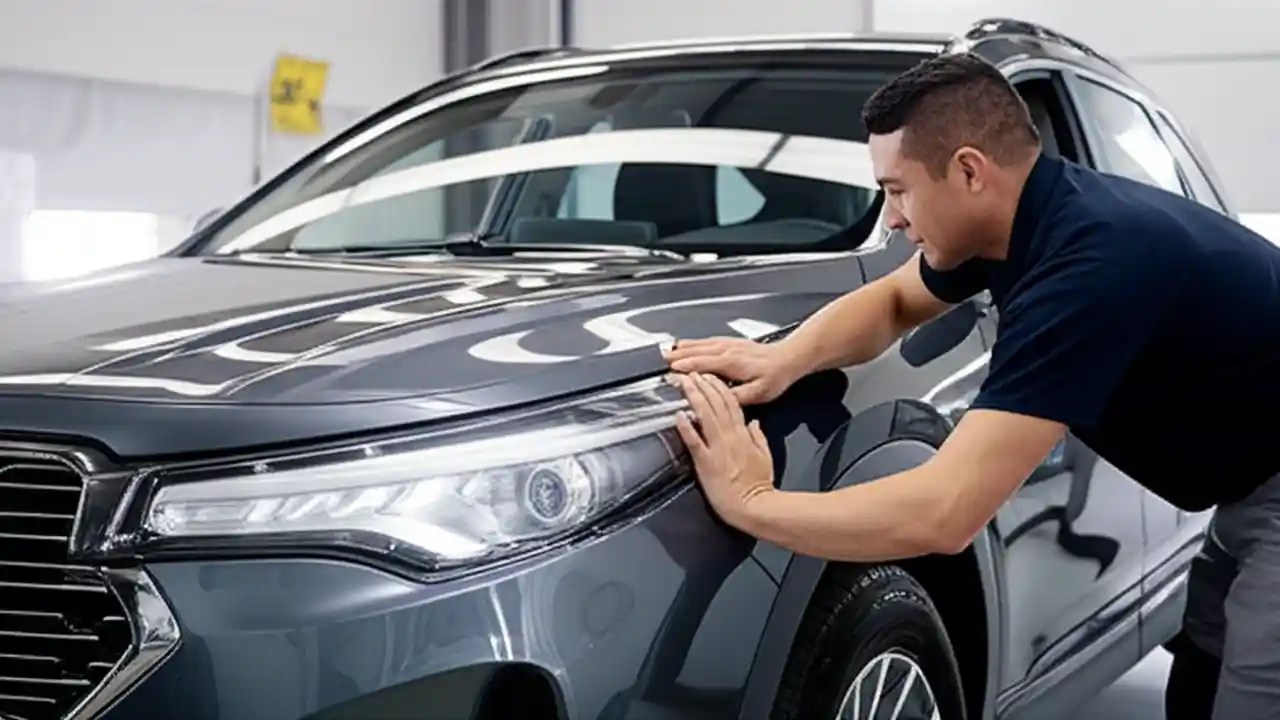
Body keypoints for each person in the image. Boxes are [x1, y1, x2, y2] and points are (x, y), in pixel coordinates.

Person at [663, 52, 1280, 720]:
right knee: (1200, 682)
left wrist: (754, 503)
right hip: (1245, 488)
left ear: (968, 171)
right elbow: (895, 301)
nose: (893, 218)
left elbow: (947, 512)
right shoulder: (1024, 222)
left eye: (898, 190)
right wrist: (784, 358)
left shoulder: (1090, 269)